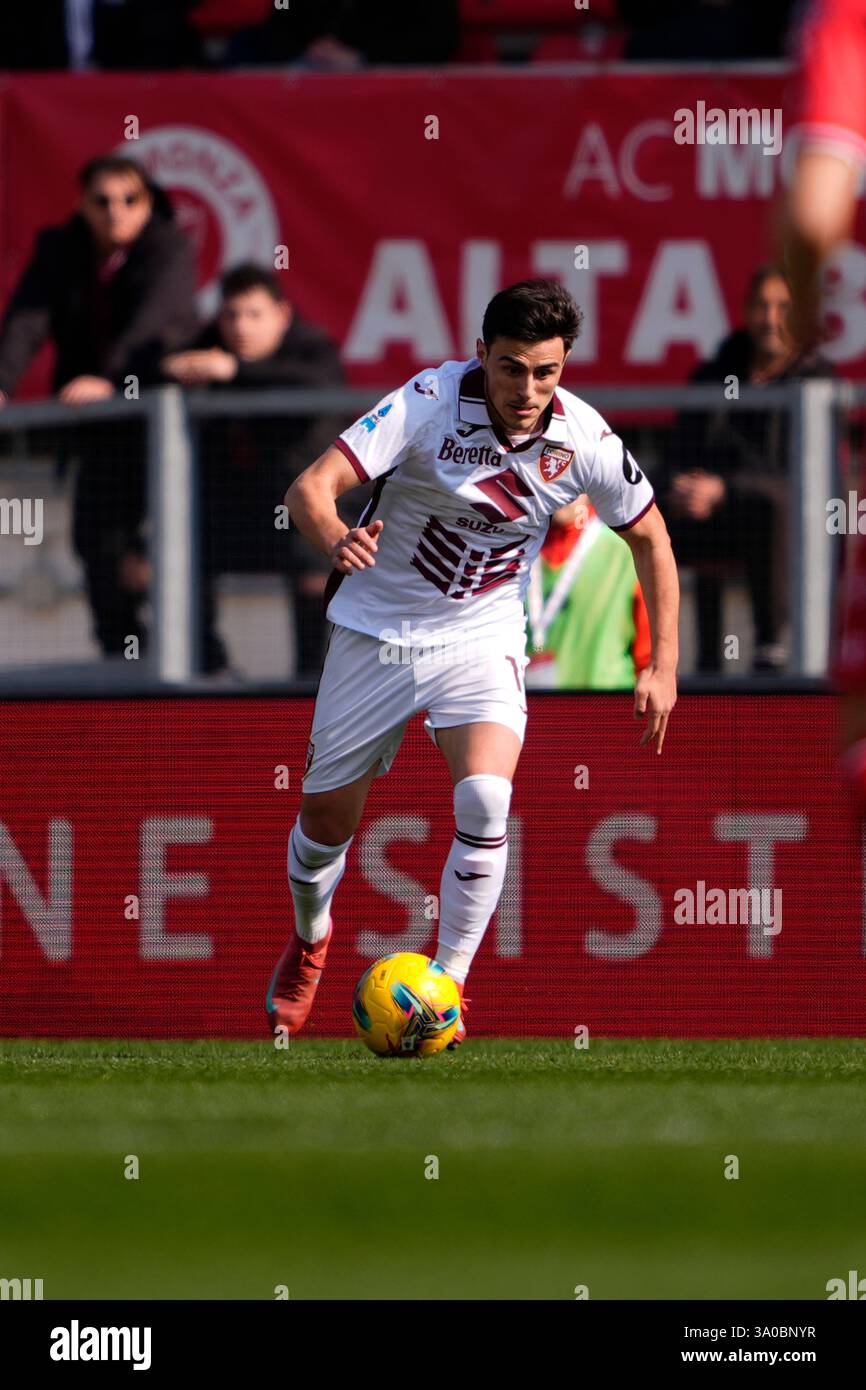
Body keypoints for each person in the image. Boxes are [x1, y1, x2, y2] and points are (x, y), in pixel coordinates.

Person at [265, 279, 679, 1045]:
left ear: (565, 369)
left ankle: (444, 992)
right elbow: (310, 489)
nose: (528, 389)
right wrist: (336, 538)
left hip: (481, 637)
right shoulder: (425, 402)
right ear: (481, 355)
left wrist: (665, 665)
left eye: (546, 372)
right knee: (324, 827)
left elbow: (651, 538)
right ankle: (312, 936)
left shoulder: (582, 437)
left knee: (487, 800)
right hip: (377, 634)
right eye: (511, 367)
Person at [0, 153, 198, 660]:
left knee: (176, 547)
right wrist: (2, 383)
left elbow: (154, 326)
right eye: (102, 201)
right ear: (82, 205)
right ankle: (123, 659)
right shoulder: (61, 248)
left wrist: (111, 382)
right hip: (99, 429)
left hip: (167, 428)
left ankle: (201, 661)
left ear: (148, 202)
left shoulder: (169, 247)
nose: (116, 211)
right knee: (97, 542)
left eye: (129, 199)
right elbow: (28, 319)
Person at [162, 263, 345, 678]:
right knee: (181, 557)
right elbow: (158, 362)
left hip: (320, 503)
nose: (241, 327)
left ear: (282, 313)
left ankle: (311, 688)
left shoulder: (312, 347)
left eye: (254, 315)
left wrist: (234, 372)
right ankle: (211, 672)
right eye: (231, 315)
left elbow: (321, 385)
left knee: (315, 574)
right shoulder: (211, 344)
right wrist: (173, 369)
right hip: (249, 507)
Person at [657, 265, 833, 673]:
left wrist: (726, 488)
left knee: (770, 505)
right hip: (707, 517)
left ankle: (771, 648)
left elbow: (810, 478)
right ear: (746, 310)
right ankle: (652, 653)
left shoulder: (816, 379)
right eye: (761, 306)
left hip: (788, 523)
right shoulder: (712, 374)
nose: (770, 319)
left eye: (782, 308)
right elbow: (676, 454)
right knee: (638, 512)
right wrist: (680, 486)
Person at [525, 495, 651, 689]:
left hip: (605, 710)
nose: (560, 491)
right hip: (533, 711)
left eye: (570, 475)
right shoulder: (515, 551)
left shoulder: (625, 552)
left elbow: (650, 659)